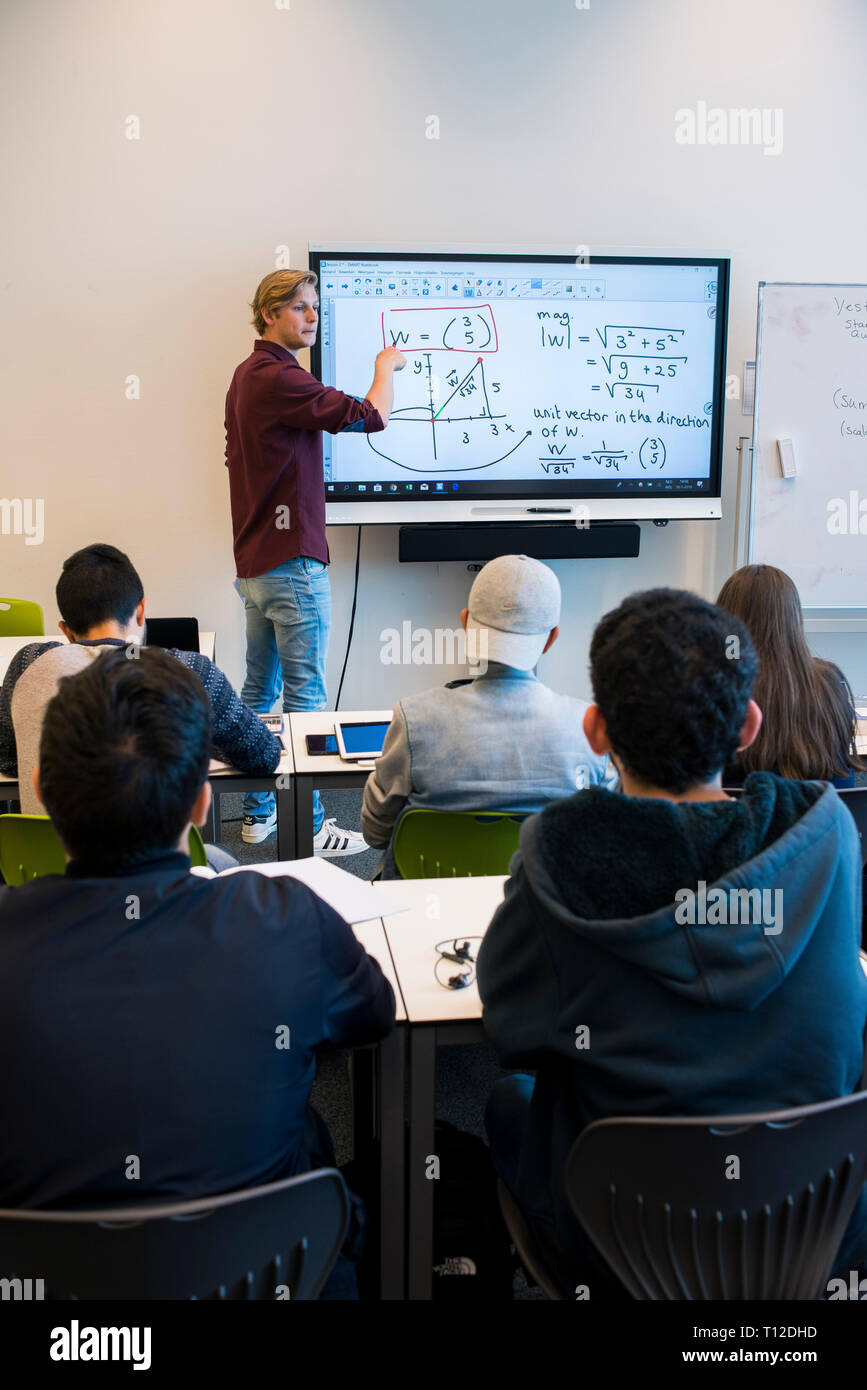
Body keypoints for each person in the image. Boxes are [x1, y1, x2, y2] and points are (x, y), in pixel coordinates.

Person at [477, 587, 867, 1298]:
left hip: (622, 1244)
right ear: (747, 725)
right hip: (810, 1229)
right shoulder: (828, 834)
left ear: (594, 729)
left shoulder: (556, 855)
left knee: (510, 1098)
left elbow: (510, 1027)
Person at [0, 647, 395, 1299]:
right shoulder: (285, 921)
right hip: (265, 1280)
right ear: (202, 805)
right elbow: (371, 1019)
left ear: (41, 788)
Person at [225, 268, 406, 852]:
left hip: (256, 565)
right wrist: (385, 369)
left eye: (316, 308)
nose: (311, 318)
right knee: (306, 701)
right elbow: (370, 415)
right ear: (270, 314)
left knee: (259, 696)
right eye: (300, 307)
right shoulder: (280, 377)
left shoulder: (247, 375)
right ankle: (313, 825)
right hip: (294, 566)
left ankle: (259, 813)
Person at [361, 554, 617, 878]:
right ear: (552, 638)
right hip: (545, 915)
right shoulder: (588, 730)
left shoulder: (414, 720)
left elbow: (375, 833)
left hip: (427, 915)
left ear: (466, 624)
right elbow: (606, 837)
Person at [0, 544, 280, 833]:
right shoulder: (188, 670)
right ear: (141, 610)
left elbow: (7, 759)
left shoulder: (28, 662)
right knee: (222, 859)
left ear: (65, 629)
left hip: (43, 869)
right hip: (157, 872)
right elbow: (263, 756)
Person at [716, 563, 863, 787]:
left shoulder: (708, 685)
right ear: (792, 619)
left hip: (732, 818)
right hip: (816, 818)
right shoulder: (828, 683)